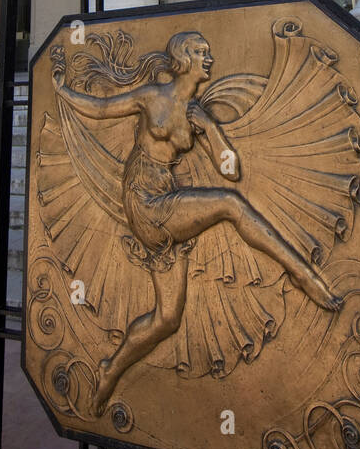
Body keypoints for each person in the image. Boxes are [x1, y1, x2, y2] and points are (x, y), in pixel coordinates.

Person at [51, 30, 341, 414]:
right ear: (183, 58)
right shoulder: (153, 95)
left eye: (208, 51)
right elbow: (102, 109)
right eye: (201, 52)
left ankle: (111, 367)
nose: (209, 58)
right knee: (230, 206)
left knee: (168, 319)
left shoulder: (197, 113)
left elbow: (231, 170)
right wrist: (62, 92)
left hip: (166, 205)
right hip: (144, 201)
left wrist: (214, 136)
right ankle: (303, 274)